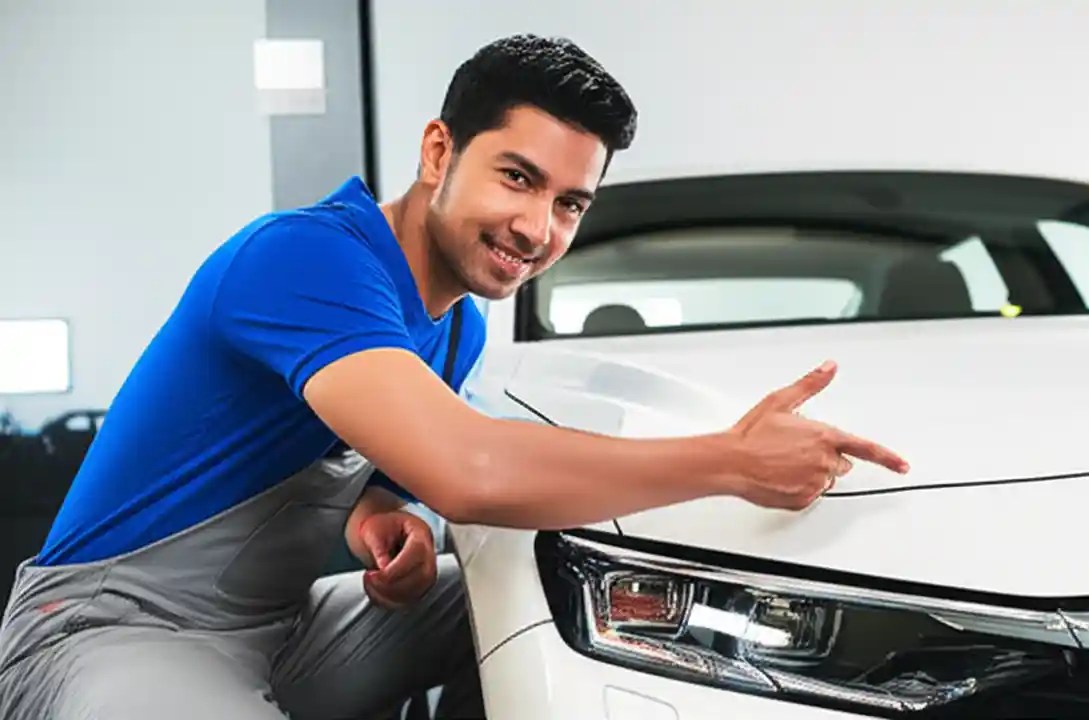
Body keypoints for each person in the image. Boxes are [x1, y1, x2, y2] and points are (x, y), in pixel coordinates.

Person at [0, 34, 909, 720]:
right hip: (116, 631)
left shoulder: (453, 328)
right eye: (517, 177)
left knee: (539, 585)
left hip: (283, 628)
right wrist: (730, 459)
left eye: (568, 203)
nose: (538, 227)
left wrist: (381, 523)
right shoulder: (305, 257)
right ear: (439, 152)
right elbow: (468, 473)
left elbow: (381, 486)